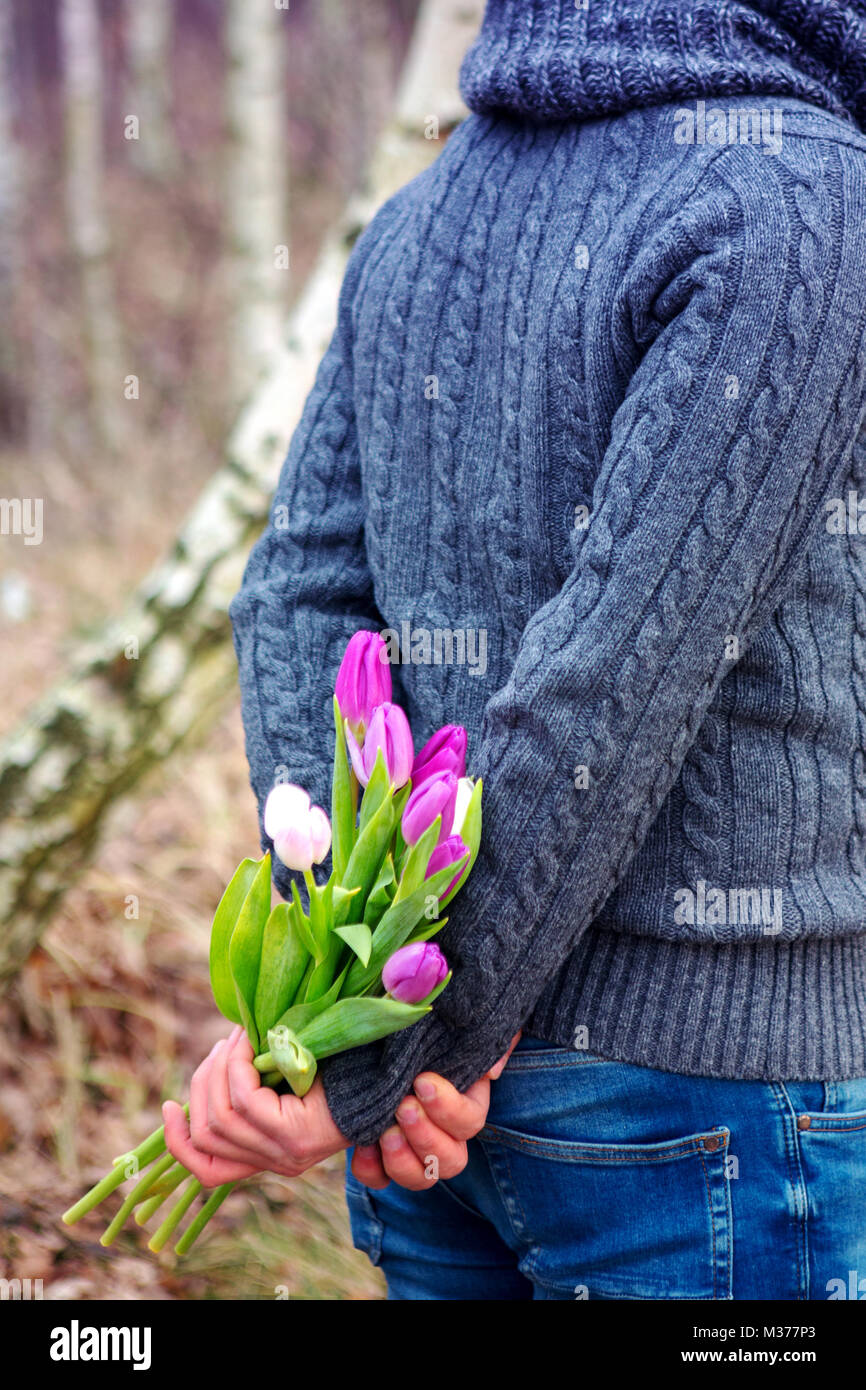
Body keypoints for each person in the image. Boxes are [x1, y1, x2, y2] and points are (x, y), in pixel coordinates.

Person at [165, 0, 866, 1299]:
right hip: (701, 1099)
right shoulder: (801, 197)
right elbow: (608, 683)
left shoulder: (419, 218)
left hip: (443, 1118)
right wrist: (382, 1052)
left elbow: (296, 596)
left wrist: (341, 1005)